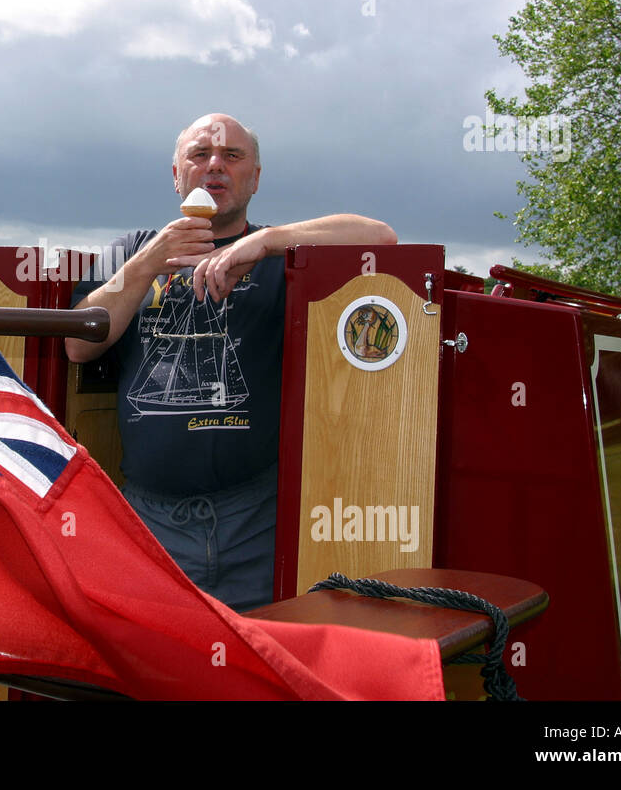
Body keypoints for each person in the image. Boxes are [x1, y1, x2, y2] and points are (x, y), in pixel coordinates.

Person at [65, 114, 395, 610]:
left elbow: (381, 237)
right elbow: (79, 344)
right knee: (160, 672)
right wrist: (149, 261)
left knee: (255, 671)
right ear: (176, 175)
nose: (214, 166)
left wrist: (266, 242)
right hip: (149, 520)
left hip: (256, 522)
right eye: (199, 155)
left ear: (255, 178)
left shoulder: (282, 255)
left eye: (232, 157)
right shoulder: (132, 252)